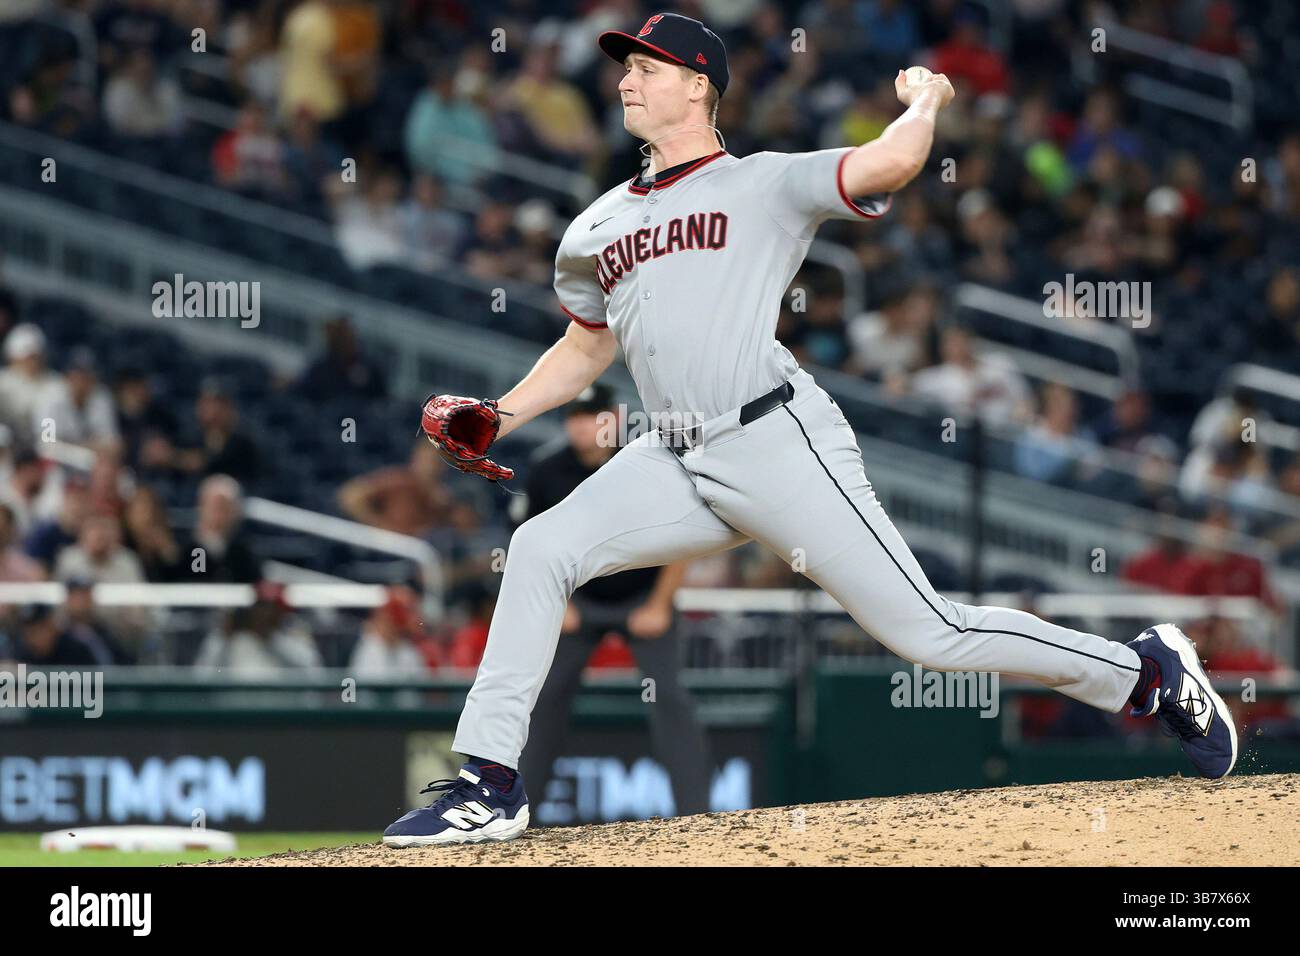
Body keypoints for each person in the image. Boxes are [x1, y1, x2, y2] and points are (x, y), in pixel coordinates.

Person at [383, 13, 1236, 849]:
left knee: (929, 634)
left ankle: (1144, 674)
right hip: (672, 453)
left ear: (698, 86)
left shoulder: (763, 184)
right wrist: (501, 414)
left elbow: (894, 162)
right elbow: (584, 347)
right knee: (539, 546)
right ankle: (489, 784)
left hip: (774, 439)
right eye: (626, 66)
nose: (626, 80)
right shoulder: (597, 222)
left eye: (647, 67)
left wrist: (924, 100)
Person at [514, 385, 713, 819]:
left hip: (643, 594)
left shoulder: (647, 463)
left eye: (595, 417)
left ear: (614, 420)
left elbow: (684, 537)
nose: (585, 427)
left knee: (671, 696)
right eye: (577, 418)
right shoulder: (548, 470)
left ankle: (696, 815)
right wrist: (559, 603)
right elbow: (534, 544)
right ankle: (521, 810)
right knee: (545, 696)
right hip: (580, 599)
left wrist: (660, 604)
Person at [193, 581, 322, 674]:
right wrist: (225, 638)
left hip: (283, 708)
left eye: (271, 607)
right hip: (236, 708)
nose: (264, 613)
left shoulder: (294, 631)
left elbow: (313, 673)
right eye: (260, 605)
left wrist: (270, 638)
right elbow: (202, 676)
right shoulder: (231, 633)